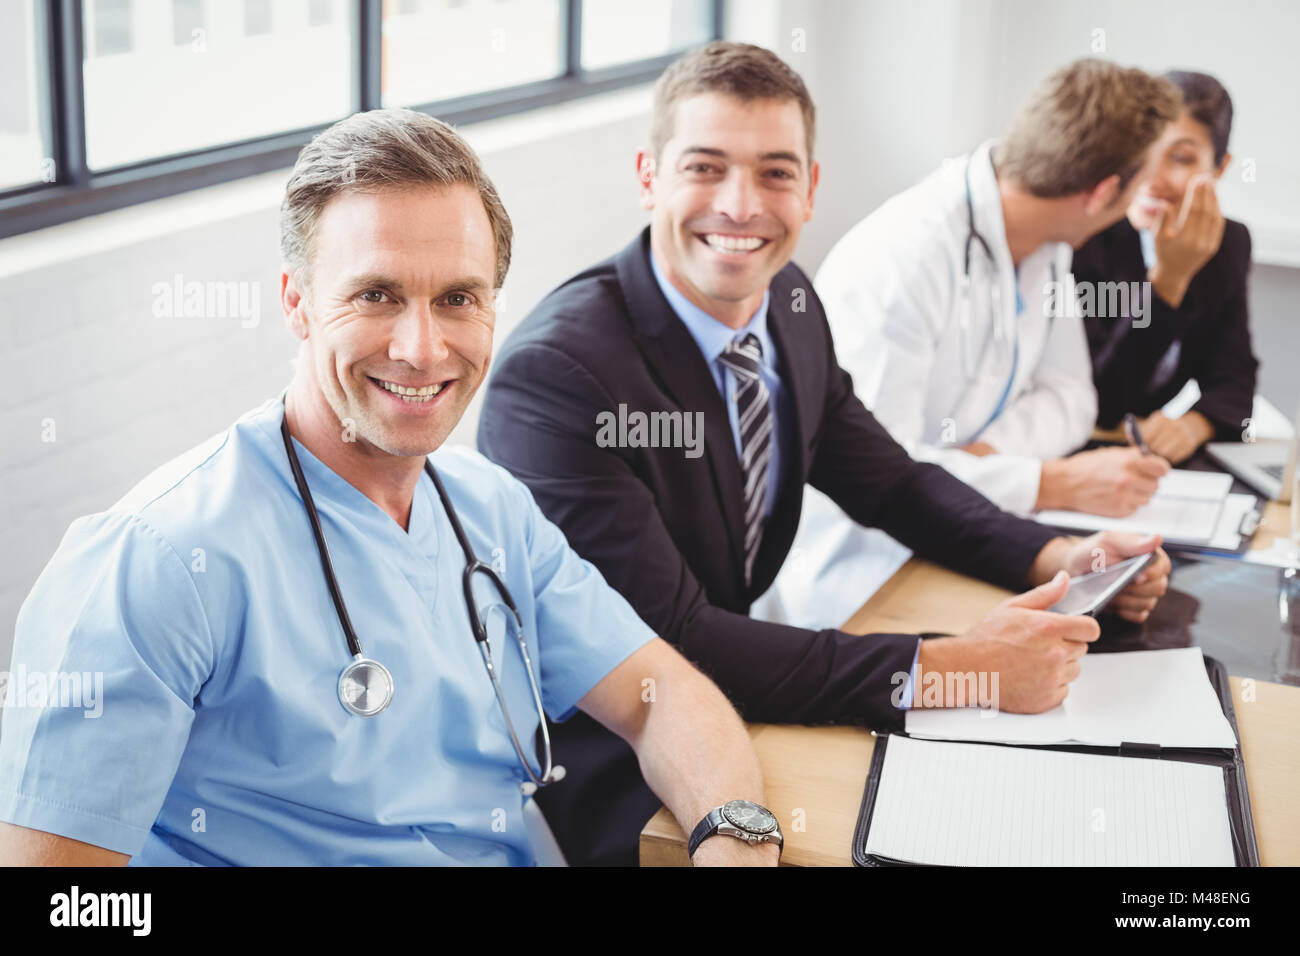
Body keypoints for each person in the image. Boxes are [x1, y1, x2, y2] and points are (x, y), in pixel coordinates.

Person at [0, 109, 784, 868]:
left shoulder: (491, 511)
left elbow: (661, 696)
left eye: (457, 299)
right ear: (296, 301)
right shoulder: (155, 562)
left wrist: (735, 836)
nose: (421, 347)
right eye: (376, 295)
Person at [477, 42, 1171, 867]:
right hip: (608, 765)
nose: (741, 204)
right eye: (706, 167)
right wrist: (959, 672)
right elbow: (678, 641)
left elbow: (894, 483)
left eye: (775, 172)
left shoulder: (789, 309)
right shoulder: (559, 377)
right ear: (649, 176)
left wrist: (1059, 553)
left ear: (810, 186)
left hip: (738, 704)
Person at [769, 58, 1183, 628]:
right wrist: (1047, 479)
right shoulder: (905, 258)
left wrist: (977, 459)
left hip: (972, 539)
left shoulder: (1049, 238)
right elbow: (884, 475)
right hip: (863, 581)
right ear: (1104, 191)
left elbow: (1070, 398)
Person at [1073, 70, 1258, 463]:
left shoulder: (1227, 243)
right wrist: (1168, 283)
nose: (1152, 177)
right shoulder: (1085, 233)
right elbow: (1100, 400)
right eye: (1145, 150)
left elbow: (1235, 379)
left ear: (1220, 167)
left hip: (1149, 462)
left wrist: (1194, 425)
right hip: (1073, 451)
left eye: (1180, 157)